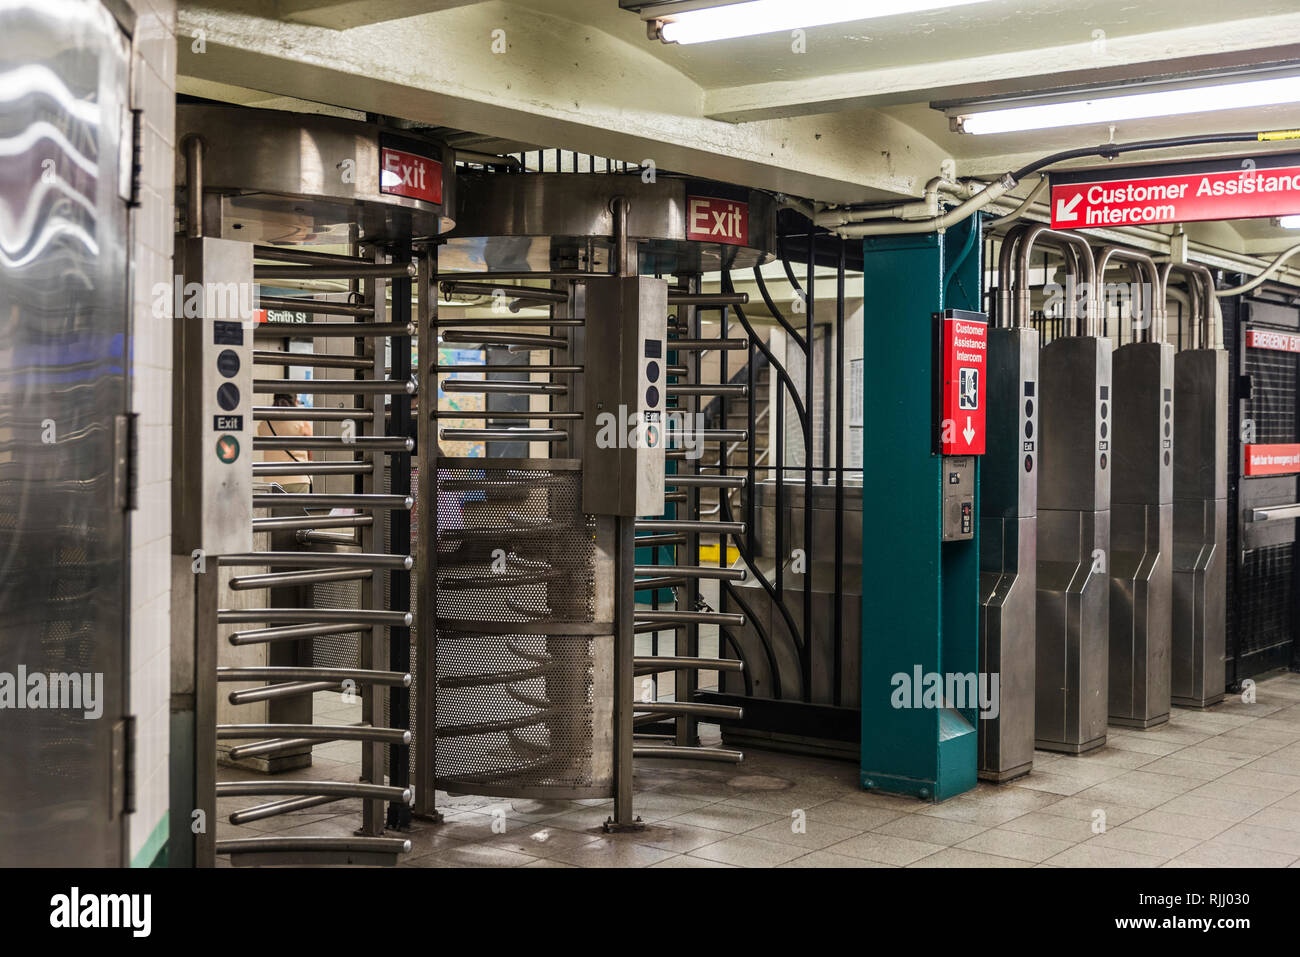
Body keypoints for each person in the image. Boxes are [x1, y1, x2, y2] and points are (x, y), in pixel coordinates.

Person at [256, 393, 313, 493]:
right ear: (295, 402)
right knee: (297, 509)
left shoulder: (264, 424)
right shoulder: (302, 423)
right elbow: (312, 455)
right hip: (298, 480)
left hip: (272, 481)